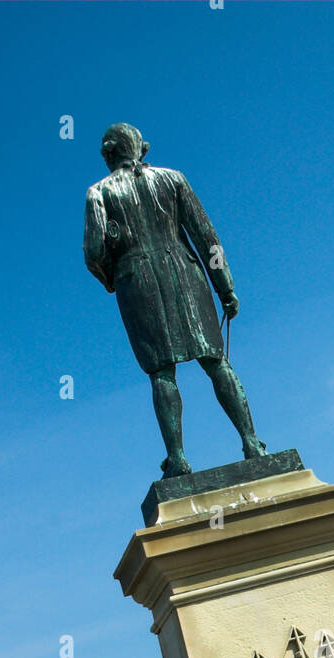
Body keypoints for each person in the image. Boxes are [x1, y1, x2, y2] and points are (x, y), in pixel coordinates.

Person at [84, 123, 266, 476]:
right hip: (186, 274)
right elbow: (205, 236)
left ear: (110, 154)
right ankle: (251, 442)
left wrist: (112, 272)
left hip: (138, 284)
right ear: (142, 149)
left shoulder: (99, 193)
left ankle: (178, 459)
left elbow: (93, 253)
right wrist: (224, 286)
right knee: (216, 361)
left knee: (161, 374)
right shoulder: (172, 179)